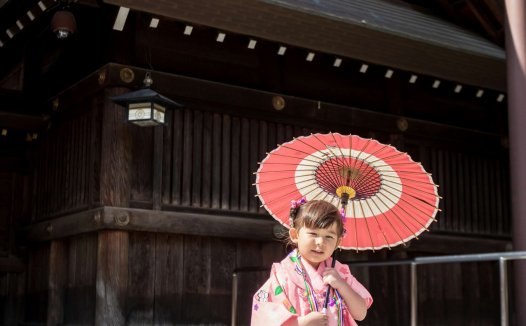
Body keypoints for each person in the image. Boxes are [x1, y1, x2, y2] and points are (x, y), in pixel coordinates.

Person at [251, 199, 372, 326]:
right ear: (295, 235)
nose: (320, 242)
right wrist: (301, 323)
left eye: (329, 236)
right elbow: (264, 317)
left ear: (338, 242)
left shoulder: (340, 272)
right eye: (313, 233)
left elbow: (360, 313)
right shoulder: (282, 274)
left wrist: (342, 285)